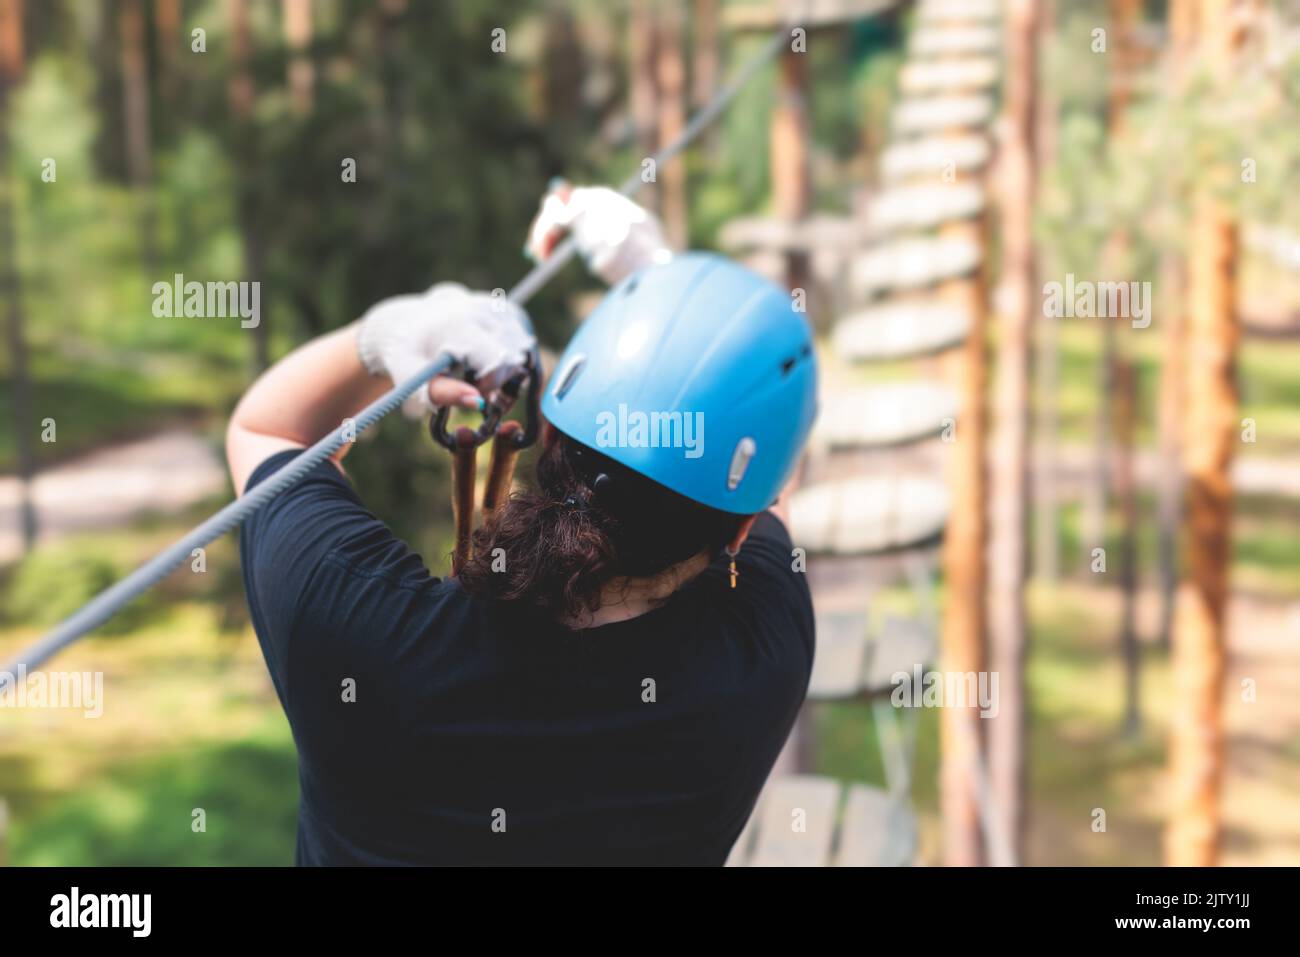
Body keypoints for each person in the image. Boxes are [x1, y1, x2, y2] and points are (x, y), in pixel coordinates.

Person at [226, 184, 819, 865]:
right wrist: (663, 294)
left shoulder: (355, 635)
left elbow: (270, 428)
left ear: (544, 432)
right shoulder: (762, 658)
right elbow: (763, 480)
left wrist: (381, 335)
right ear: (738, 535)